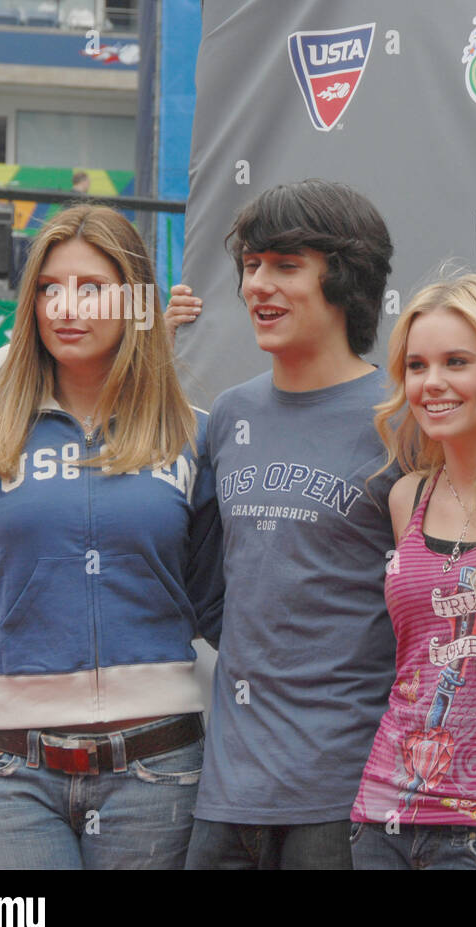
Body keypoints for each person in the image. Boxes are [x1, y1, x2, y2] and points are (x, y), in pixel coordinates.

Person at [0, 204, 223, 869]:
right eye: (49, 289)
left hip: (160, 770)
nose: (65, 307)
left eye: (91, 288)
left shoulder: (193, 435)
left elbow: (227, 613)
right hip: (8, 776)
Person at [178, 180, 400, 870]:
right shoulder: (230, 415)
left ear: (345, 277)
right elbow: (214, 587)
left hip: (345, 798)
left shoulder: (401, 418)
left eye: (285, 265)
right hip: (226, 795)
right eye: (251, 265)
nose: (257, 285)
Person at [349, 274, 476, 869]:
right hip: (382, 813)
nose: (432, 382)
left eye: (456, 362)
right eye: (417, 366)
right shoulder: (407, 497)